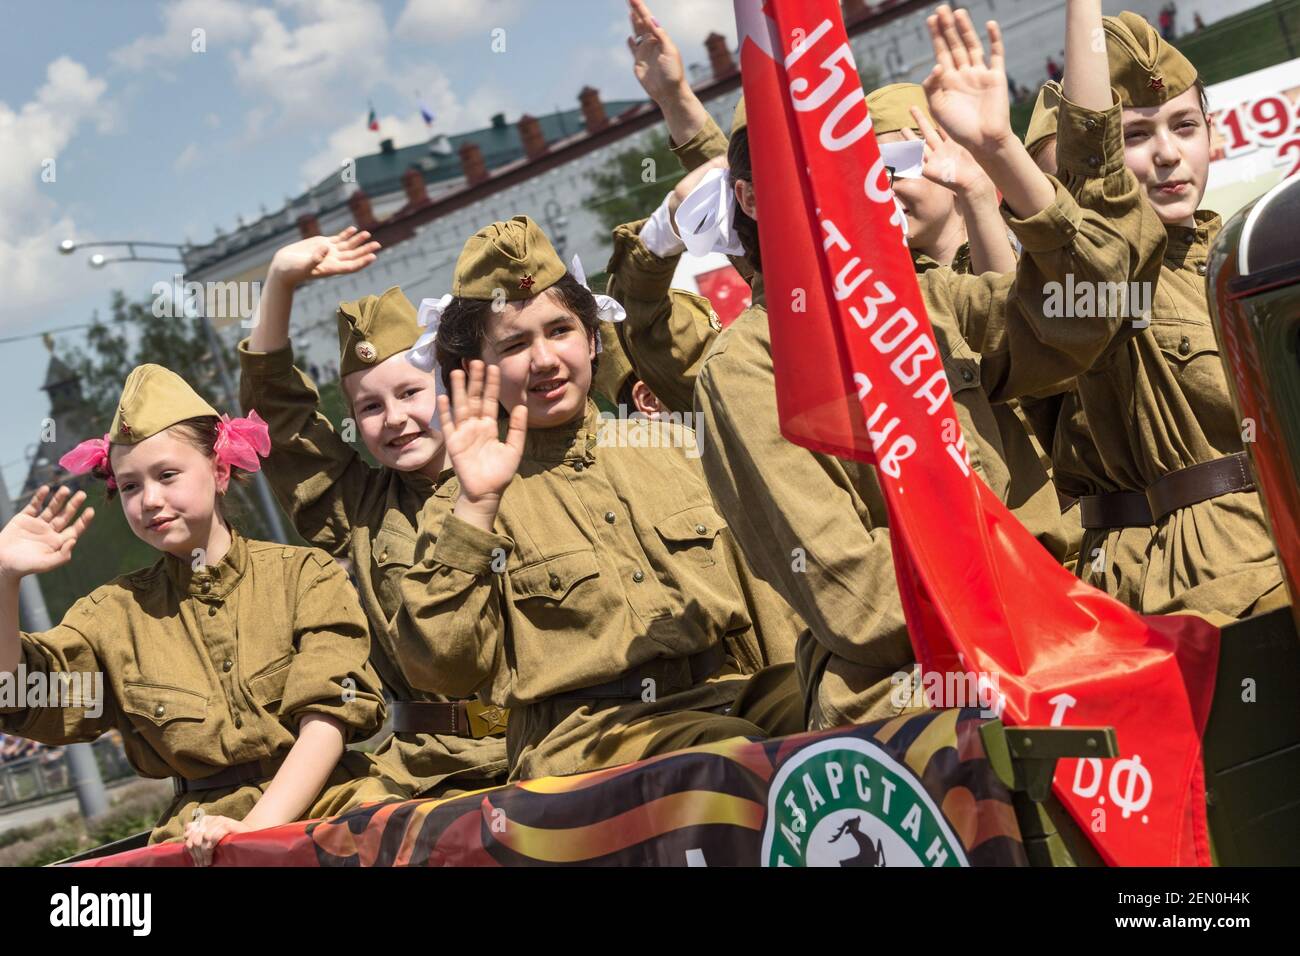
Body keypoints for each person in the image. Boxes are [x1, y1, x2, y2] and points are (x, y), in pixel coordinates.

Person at [691, 4, 1160, 727]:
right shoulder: (745, 366)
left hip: (1059, 625)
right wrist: (1019, 589)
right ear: (751, 197)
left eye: (851, 167)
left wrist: (999, 152)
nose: (836, 190)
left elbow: (1088, 315)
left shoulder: (925, 299)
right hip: (920, 687)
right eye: (801, 174)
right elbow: (853, 595)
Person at [390, 215, 806, 781]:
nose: (544, 359)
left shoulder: (675, 446)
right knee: (729, 754)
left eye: (559, 330)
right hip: (588, 741)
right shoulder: (460, 504)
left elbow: (769, 598)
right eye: (514, 344)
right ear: (476, 370)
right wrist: (478, 506)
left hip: (732, 695)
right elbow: (443, 667)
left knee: (851, 704)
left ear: (591, 340)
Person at [0, 365, 403, 865]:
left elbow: (329, 718)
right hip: (197, 841)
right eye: (129, 486)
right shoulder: (112, 616)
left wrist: (252, 832)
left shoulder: (305, 576)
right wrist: (4, 579)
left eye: (167, 475)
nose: (150, 500)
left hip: (333, 816)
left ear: (219, 471)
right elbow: (20, 695)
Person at [238, 228, 510, 799]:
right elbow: (279, 418)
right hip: (429, 771)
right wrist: (280, 283)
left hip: (546, 745)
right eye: (369, 407)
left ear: (451, 385)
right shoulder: (357, 508)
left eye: (410, 393)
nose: (393, 419)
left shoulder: (518, 473)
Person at [1039, 4, 1285, 618]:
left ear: (1213, 132)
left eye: (1185, 126)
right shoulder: (1109, 279)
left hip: (1279, 531)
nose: (1168, 153)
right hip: (1213, 578)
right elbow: (1093, 180)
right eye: (1136, 135)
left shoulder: (1242, 254)